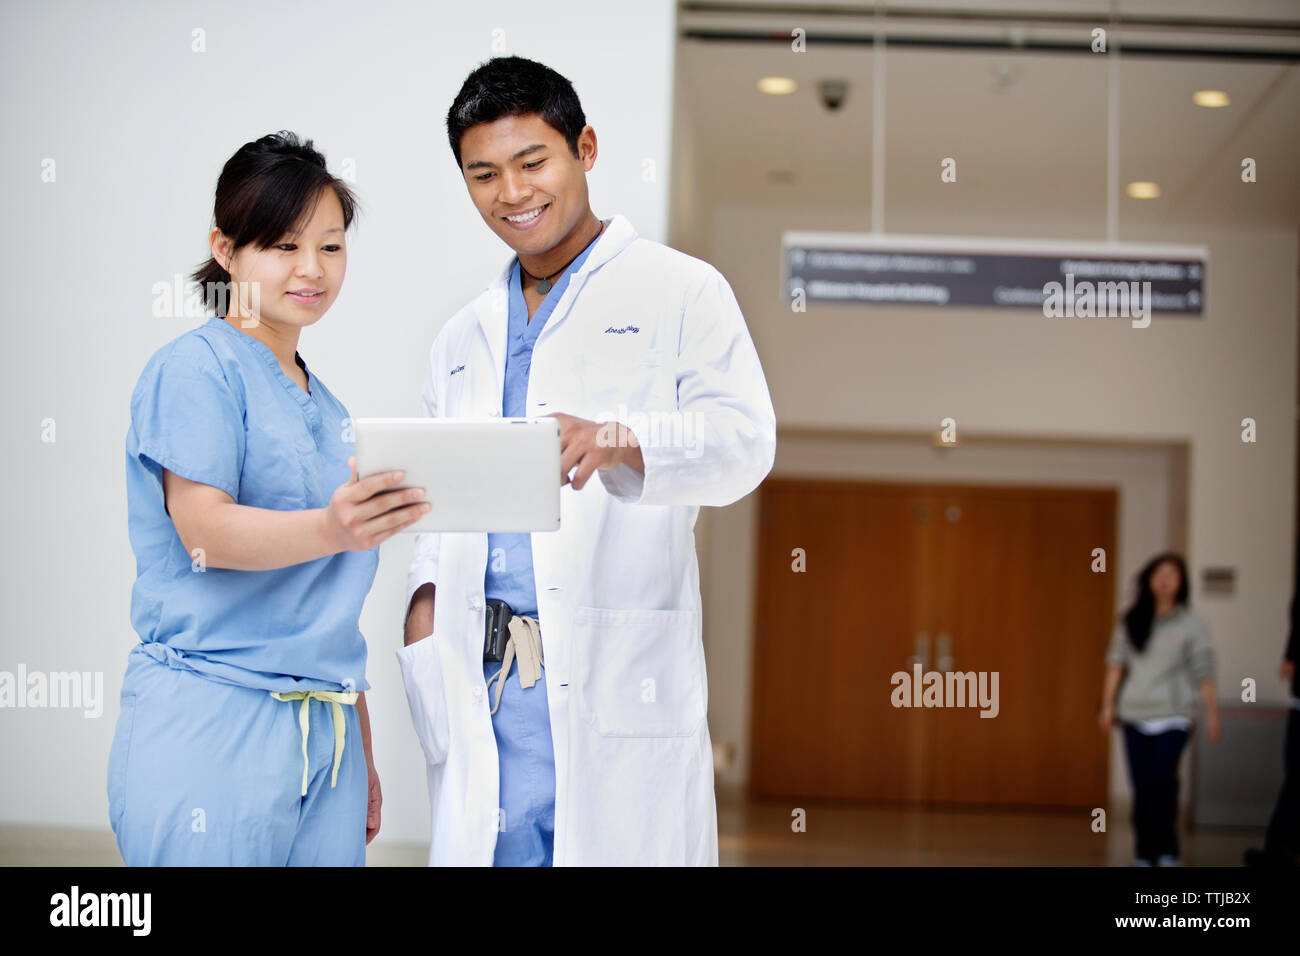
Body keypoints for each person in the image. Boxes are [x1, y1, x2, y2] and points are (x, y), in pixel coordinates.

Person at [397, 56, 776, 866]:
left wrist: (625, 438)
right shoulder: (462, 337)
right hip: (486, 684)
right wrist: (423, 607)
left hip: (613, 677)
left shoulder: (682, 291)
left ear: (587, 149)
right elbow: (435, 506)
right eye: (484, 174)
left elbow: (745, 443)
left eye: (534, 162)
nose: (513, 193)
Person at [108, 131, 429, 865]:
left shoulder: (336, 411)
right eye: (283, 246)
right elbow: (205, 533)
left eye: (331, 246)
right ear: (225, 250)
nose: (311, 270)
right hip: (214, 726)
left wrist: (362, 754)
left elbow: (326, 608)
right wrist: (332, 526)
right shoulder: (194, 372)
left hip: (330, 742)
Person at [1100, 552, 1221, 866]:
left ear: (1181, 583)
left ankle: (1168, 850)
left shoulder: (1191, 625)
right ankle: (1145, 852)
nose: (1165, 580)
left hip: (1174, 714)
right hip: (1136, 713)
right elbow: (1116, 664)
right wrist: (1107, 705)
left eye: (1173, 574)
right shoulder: (1132, 621)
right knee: (1142, 785)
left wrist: (1213, 715)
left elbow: (1203, 670)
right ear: (1149, 580)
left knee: (1162, 780)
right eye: (1159, 573)